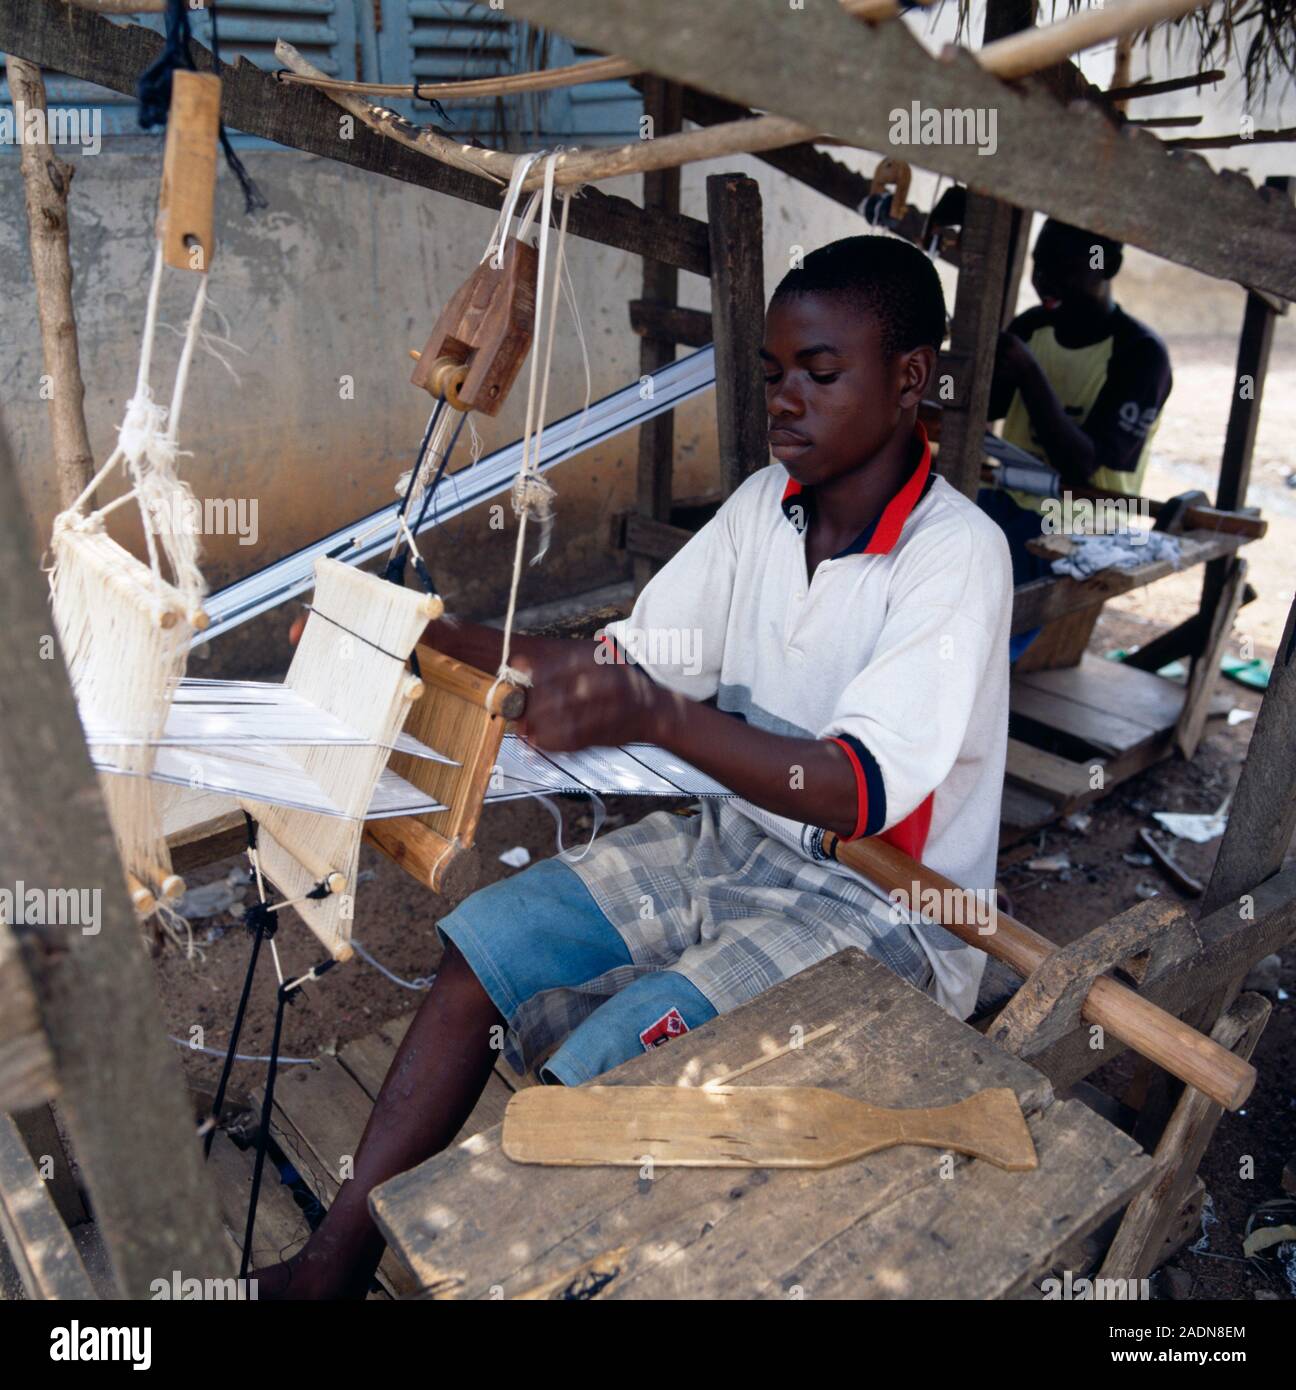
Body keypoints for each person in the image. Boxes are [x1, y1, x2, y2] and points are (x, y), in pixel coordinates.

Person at [256, 234, 1012, 1298]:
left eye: (821, 372)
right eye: (774, 373)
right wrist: (415, 635)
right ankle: (332, 1267)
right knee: (486, 947)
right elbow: (614, 666)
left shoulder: (955, 555)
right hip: (737, 837)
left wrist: (654, 713)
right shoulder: (762, 513)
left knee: (607, 1062)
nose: (786, 399)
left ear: (908, 379)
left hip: (886, 905)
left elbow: (851, 790)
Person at [980, 218, 1173, 657]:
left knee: (983, 618)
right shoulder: (1032, 327)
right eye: (1038, 265)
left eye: (1061, 267)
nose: (1043, 280)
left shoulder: (1140, 354)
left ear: (1104, 268)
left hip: (1080, 522)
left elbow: (1082, 465)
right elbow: (985, 408)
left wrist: (1030, 374)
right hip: (1008, 500)